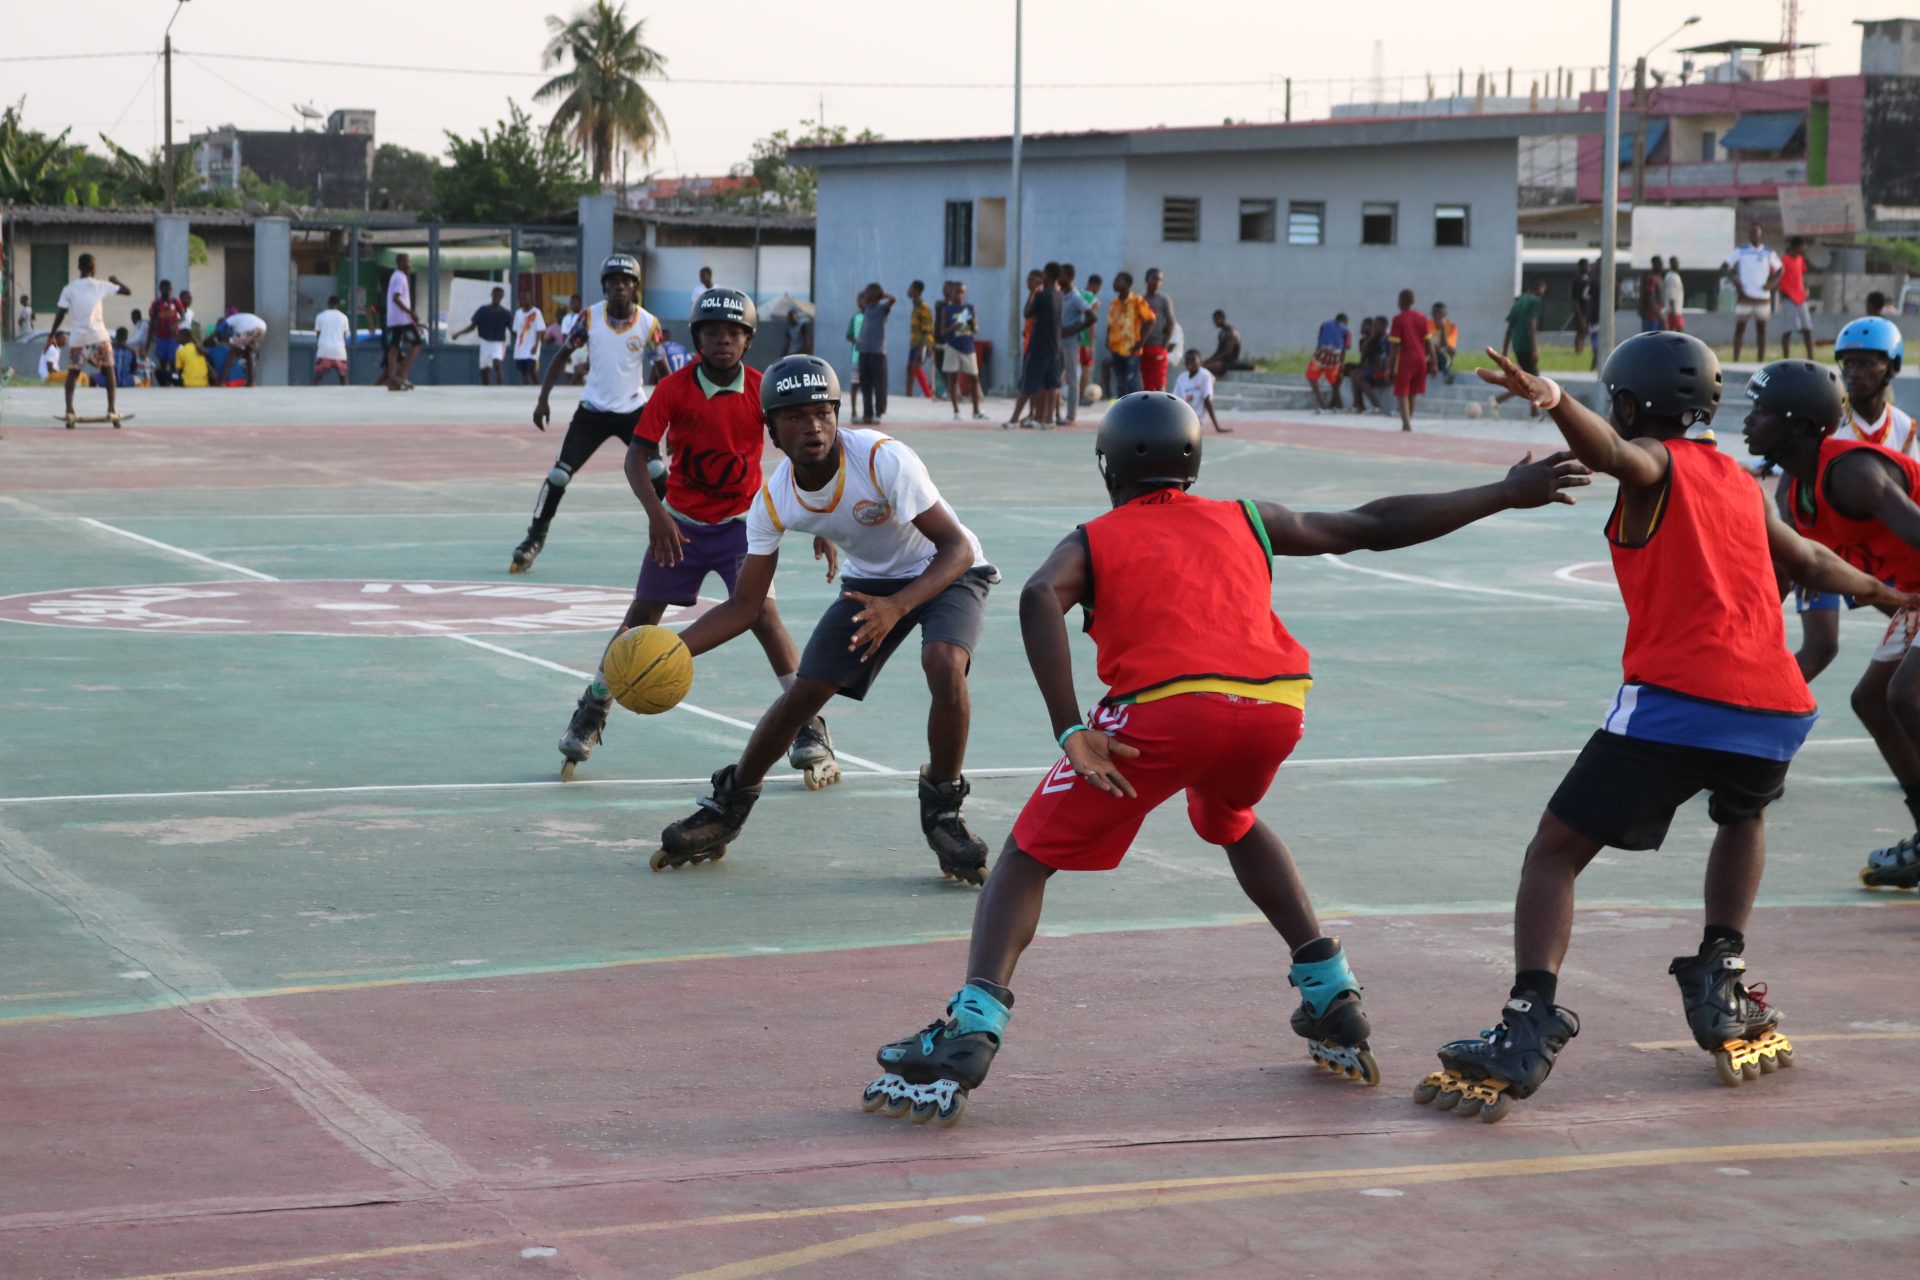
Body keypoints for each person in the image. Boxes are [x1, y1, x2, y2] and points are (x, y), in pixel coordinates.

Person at [859, 391, 1591, 1128]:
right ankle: (1329, 991)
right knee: (1229, 816)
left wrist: (1069, 727)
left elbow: (1040, 594)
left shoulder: (1095, 537)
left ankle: (969, 1030)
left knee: (1024, 855)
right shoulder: (1248, 516)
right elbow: (1372, 524)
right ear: (1194, 461)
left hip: (1172, 710)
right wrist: (1503, 492)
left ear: (1108, 467)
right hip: (1275, 707)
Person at [1416, 332, 1912, 1123]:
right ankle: (1721, 971)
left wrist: (1551, 400)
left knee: (1553, 852)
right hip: (1777, 703)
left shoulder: (1658, 466)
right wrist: (1892, 597)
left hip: (1679, 698)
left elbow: (1617, 454)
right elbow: (1815, 565)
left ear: (1627, 402)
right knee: (1742, 813)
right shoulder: (1742, 486)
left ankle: (1529, 1018)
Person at [656, 354, 1001, 881]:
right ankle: (729, 806)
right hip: (872, 585)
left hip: (948, 570)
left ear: (838, 415)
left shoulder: (884, 458)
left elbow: (954, 548)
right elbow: (747, 605)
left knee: (944, 661)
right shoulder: (774, 499)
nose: (812, 426)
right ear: (771, 429)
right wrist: (673, 650)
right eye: (795, 416)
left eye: (823, 412)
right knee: (804, 693)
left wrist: (898, 607)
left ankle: (944, 811)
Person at [554, 288, 832, 787]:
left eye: (733, 334)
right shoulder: (674, 389)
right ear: (697, 339)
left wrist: (819, 520)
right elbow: (636, 457)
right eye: (712, 333)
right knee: (641, 617)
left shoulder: (762, 390)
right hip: (679, 526)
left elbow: (799, 454)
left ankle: (808, 725)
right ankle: (593, 707)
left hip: (743, 527)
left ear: (748, 340)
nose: (723, 341)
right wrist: (657, 514)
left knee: (765, 618)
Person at [1746, 357, 1920, 892]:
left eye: (1762, 411)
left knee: (1905, 696)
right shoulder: (1792, 497)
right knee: (1872, 700)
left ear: (1799, 424)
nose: (1748, 421)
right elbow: (1787, 576)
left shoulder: (1854, 474)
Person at [509, 255, 662, 573]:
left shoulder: (648, 323)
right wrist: (543, 399)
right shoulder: (589, 318)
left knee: (659, 473)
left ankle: (685, 535)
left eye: (626, 280)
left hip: (633, 410)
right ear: (604, 286)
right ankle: (533, 538)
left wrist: (677, 417)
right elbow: (563, 355)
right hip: (592, 411)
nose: (619, 285)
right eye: (612, 281)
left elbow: (664, 371)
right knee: (559, 475)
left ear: (635, 287)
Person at [48, 254, 131, 424]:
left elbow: (61, 313)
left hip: (78, 338)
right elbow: (127, 291)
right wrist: (116, 281)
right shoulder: (100, 285)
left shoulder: (69, 288)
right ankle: (111, 409)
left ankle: (69, 410)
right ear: (93, 268)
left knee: (73, 372)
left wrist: (52, 333)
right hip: (99, 336)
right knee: (108, 370)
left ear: (79, 268)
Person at [1835, 316, 1914, 454]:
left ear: (1891, 367)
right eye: (1848, 363)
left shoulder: (1903, 427)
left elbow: (1912, 474)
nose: (1853, 373)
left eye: (1866, 364)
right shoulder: (1829, 421)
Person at [1722, 222, 1782, 363]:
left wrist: (1772, 283)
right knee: (1740, 329)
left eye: (1757, 233)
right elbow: (1725, 266)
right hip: (1745, 296)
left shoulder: (1768, 252)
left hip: (1763, 297)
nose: (1754, 236)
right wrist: (1735, 282)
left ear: (1761, 235)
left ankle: (1760, 361)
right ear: (1749, 235)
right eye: (1752, 233)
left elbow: (1780, 269)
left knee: (1761, 330)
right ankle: (1735, 360)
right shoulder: (1741, 251)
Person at [1015, 263, 1064, 429]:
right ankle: (1046, 418)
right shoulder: (1059, 295)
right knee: (1050, 384)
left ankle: (1015, 418)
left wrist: (1033, 293)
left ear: (1047, 275)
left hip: (1038, 346)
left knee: (1030, 384)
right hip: (1054, 345)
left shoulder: (1041, 295)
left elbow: (1027, 312)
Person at [1494, 279, 1548, 419]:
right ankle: (1534, 411)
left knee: (1527, 380)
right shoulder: (1535, 302)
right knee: (1535, 380)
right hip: (1526, 345)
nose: (1543, 293)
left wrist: (1505, 350)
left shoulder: (1519, 302)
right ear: (1539, 288)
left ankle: (1499, 400)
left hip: (1517, 345)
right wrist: (1534, 348)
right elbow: (1532, 324)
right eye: (1543, 289)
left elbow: (1510, 327)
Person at [1388, 288, 1434, 432]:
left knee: (1402, 392)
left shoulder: (1398, 319)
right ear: (1413, 302)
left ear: (1400, 301)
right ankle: (1410, 418)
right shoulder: (1422, 317)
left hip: (1406, 359)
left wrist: (1390, 367)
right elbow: (1429, 343)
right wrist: (1434, 363)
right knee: (1413, 392)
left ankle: (1406, 423)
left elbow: (1394, 346)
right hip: (1421, 359)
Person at [939, 283, 986, 421]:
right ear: (951, 293)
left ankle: (976, 411)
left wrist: (972, 325)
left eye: (962, 292)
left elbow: (976, 328)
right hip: (953, 347)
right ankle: (956, 411)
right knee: (953, 380)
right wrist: (954, 327)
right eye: (956, 292)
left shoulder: (970, 308)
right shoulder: (947, 310)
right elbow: (942, 332)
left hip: (968, 347)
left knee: (974, 378)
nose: (959, 295)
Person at [451, 285, 514, 385]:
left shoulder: (506, 313)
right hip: (485, 342)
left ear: (502, 297)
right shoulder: (483, 310)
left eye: (499, 296)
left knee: (497, 364)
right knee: (484, 370)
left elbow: (512, 330)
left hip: (498, 343)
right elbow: (472, 326)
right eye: (495, 296)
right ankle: (486, 388)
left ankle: (502, 388)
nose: (496, 298)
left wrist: (519, 337)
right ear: (491, 296)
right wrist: (459, 333)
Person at [1106, 272, 1153, 398]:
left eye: (1118, 280)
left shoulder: (1137, 301)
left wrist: (1141, 342)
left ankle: (1138, 406)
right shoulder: (1114, 303)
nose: (1114, 283)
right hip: (1116, 348)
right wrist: (1108, 341)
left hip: (1131, 349)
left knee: (1132, 381)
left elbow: (1150, 319)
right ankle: (1123, 408)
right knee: (1120, 382)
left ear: (1127, 284)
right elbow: (1110, 324)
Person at [1057, 264, 1094, 425]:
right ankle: (1057, 412)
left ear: (1070, 277)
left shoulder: (1076, 297)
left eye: (1062, 275)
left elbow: (1092, 317)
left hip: (1070, 343)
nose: (1059, 278)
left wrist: (1074, 329)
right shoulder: (1060, 295)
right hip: (1057, 342)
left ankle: (1071, 415)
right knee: (1055, 377)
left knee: (1072, 378)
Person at [855, 283, 895, 425]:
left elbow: (893, 300)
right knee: (865, 385)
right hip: (864, 351)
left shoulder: (882, 309)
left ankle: (879, 413)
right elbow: (859, 298)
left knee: (879, 385)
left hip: (878, 353)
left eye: (868, 292)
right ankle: (867, 414)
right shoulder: (866, 309)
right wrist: (865, 295)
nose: (865, 295)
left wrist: (884, 295)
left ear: (876, 295)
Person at [381, 258, 422, 390]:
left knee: (394, 347)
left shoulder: (396, 276)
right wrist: (410, 313)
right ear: (399, 263)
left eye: (409, 262)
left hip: (395, 319)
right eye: (406, 262)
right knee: (417, 343)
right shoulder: (399, 277)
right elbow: (396, 297)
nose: (409, 264)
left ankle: (393, 378)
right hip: (402, 319)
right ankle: (402, 372)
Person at [1173, 347, 1228, 434]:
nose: (1190, 362)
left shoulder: (1205, 375)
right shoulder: (1182, 377)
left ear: (1200, 361)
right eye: (1187, 360)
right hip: (1183, 418)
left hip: (1197, 420)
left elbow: (1207, 400)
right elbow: (1175, 400)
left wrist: (1217, 427)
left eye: (1193, 359)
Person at [1776, 238, 1814, 360]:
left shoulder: (1800, 260)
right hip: (1788, 299)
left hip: (1801, 299)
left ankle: (1811, 358)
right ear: (1796, 247)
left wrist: (1806, 288)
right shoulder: (1784, 260)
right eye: (1803, 246)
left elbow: (1801, 275)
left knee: (1807, 329)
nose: (1805, 249)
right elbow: (1778, 278)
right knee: (1788, 330)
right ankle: (1786, 358)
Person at [1139, 268, 1176, 392]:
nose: (1157, 282)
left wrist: (1164, 345)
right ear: (1146, 280)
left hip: (1157, 346)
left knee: (1159, 382)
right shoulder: (1140, 300)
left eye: (1160, 280)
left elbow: (1171, 323)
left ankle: (1163, 410)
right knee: (1146, 383)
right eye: (1154, 279)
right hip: (1142, 347)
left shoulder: (1164, 300)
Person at [1308, 313, 1349, 412]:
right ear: (1345, 321)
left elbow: (1320, 339)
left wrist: (1317, 355)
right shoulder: (1346, 330)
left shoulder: (1325, 324)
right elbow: (1344, 349)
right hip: (1335, 357)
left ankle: (1323, 405)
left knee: (1312, 377)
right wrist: (1340, 367)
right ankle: (1339, 406)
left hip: (1322, 354)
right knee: (1334, 381)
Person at [147, 279, 184, 388]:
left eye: (169, 289)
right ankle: (164, 383)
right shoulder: (156, 304)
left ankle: (174, 382)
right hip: (161, 336)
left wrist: (175, 324)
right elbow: (152, 321)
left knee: (173, 362)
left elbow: (183, 316)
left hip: (173, 337)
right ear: (160, 289)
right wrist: (148, 340)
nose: (167, 291)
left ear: (171, 290)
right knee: (163, 362)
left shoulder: (175, 302)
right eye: (164, 289)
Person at [214, 312, 267, 387]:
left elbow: (219, 331)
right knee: (249, 354)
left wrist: (213, 337)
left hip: (248, 329)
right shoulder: (238, 319)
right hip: (262, 328)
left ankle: (221, 382)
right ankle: (251, 382)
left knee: (232, 355)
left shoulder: (228, 320)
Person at [311, 295, 350, 386]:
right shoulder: (344, 317)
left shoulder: (320, 316)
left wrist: (321, 345)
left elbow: (318, 334)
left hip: (324, 350)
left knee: (318, 376)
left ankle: (312, 394)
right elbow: (344, 335)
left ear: (328, 303)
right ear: (339, 304)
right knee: (343, 377)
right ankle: (346, 396)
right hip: (339, 351)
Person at [905, 280, 935, 398]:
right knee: (910, 368)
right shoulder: (915, 306)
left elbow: (928, 329)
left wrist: (923, 347)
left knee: (916, 366)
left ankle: (928, 393)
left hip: (922, 343)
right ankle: (908, 395)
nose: (908, 291)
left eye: (911, 288)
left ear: (917, 291)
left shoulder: (924, 307)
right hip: (914, 342)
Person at [1076, 272, 1101, 404]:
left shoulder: (1076, 295)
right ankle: (1082, 396)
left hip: (1072, 337)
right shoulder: (1094, 301)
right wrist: (1091, 344)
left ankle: (1063, 395)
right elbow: (1092, 323)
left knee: (1068, 369)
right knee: (1086, 368)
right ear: (1095, 285)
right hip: (1085, 340)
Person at [512, 289, 546, 386]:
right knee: (523, 372)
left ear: (530, 299)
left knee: (532, 370)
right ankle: (525, 389)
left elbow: (540, 330)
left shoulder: (536, 312)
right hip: (520, 348)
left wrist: (536, 345)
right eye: (521, 298)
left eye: (525, 298)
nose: (523, 300)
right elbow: (515, 330)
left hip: (532, 347)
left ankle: (538, 389)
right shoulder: (518, 313)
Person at [1202, 311, 1242, 379]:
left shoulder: (1231, 332)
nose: (1215, 322)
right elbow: (1218, 351)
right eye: (1214, 320)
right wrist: (1209, 359)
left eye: (1217, 319)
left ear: (1223, 318)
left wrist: (1213, 360)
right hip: (1222, 361)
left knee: (1207, 368)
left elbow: (1228, 352)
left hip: (1230, 362)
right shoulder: (1221, 333)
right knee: (1202, 365)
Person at [560, 294, 589, 386]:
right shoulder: (566, 318)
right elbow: (564, 336)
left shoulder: (585, 317)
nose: (572, 305)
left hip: (583, 349)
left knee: (581, 374)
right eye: (571, 303)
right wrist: (565, 352)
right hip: (571, 349)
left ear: (580, 303)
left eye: (574, 303)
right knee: (569, 373)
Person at [1571, 259, 1595, 360]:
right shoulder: (1577, 281)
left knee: (1585, 332)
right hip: (1581, 310)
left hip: (1588, 309)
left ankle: (1582, 349)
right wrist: (1579, 315)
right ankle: (1578, 352)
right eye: (1586, 266)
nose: (1588, 268)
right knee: (1580, 332)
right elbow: (1575, 299)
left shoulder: (1589, 280)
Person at [1431, 302, 1459, 385]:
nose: (1437, 316)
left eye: (1440, 313)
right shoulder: (1427, 324)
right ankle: (1446, 373)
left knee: (1445, 353)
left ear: (1445, 314)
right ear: (1432, 314)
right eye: (1435, 313)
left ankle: (1446, 373)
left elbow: (1449, 347)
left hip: (1443, 355)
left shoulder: (1452, 327)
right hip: (1430, 354)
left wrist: (1442, 330)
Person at [1663, 257, 1686, 332]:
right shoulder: (1672, 277)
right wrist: (1674, 314)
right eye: (1677, 263)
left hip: (1676, 310)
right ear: (1672, 264)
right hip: (1674, 311)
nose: (1678, 265)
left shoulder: (1675, 276)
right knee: (1679, 333)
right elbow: (1671, 296)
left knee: (1674, 333)